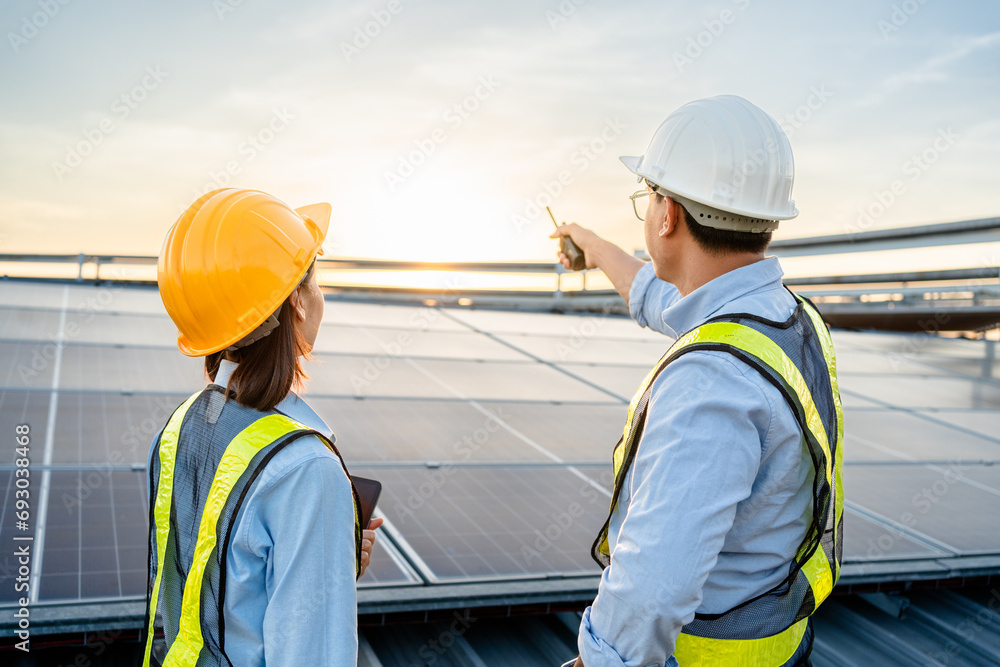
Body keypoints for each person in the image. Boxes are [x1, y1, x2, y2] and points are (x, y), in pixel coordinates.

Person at [551, 95, 844, 667]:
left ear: (667, 216)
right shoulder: (786, 318)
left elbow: (651, 591)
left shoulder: (710, 382)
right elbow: (664, 299)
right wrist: (596, 248)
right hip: (782, 644)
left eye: (649, 195)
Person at [143, 188, 382, 666]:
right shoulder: (306, 469)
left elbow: (212, 588)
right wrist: (322, 566)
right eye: (315, 281)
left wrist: (319, 563)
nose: (320, 296)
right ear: (296, 302)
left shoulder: (176, 429)